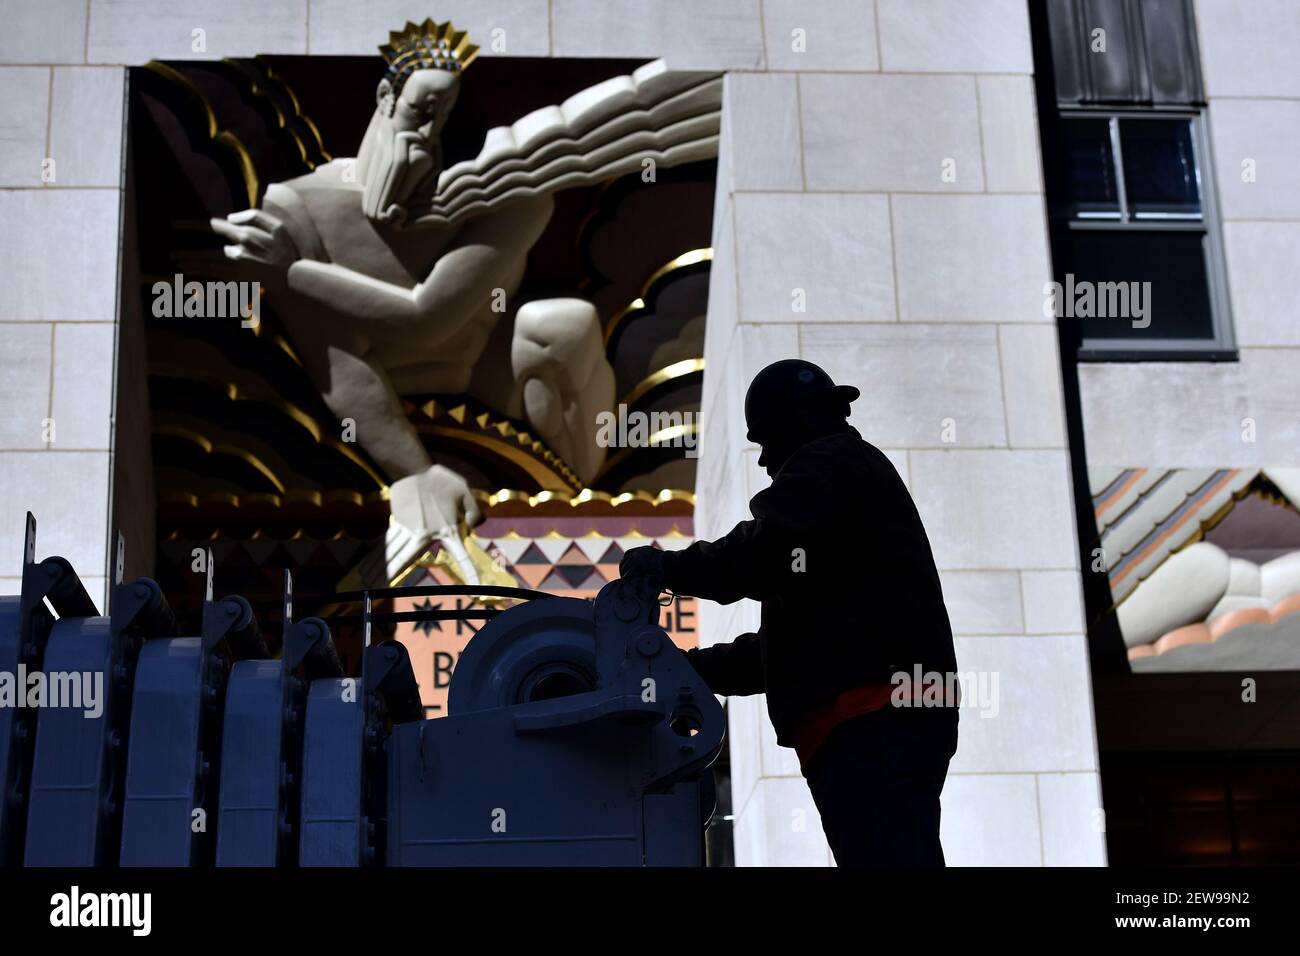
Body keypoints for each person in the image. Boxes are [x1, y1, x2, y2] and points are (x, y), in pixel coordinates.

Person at [621, 359, 960, 866]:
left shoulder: (829, 461)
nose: (762, 462)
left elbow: (758, 555)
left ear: (795, 423)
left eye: (763, 442)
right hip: (875, 716)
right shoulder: (842, 498)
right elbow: (787, 651)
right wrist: (690, 668)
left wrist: (666, 568)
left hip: (871, 718)